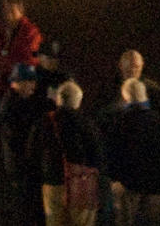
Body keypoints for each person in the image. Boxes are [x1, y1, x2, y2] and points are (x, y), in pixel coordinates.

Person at [28, 79, 104, 226]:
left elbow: (32, 154)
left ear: (58, 99)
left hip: (52, 182)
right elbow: (98, 154)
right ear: (78, 101)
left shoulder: (44, 122)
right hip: (82, 182)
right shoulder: (86, 123)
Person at [105, 78, 160, 226]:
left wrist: (114, 178)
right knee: (152, 220)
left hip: (129, 184)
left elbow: (112, 152)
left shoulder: (120, 121)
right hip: (156, 183)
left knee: (126, 220)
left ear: (126, 97)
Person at [0, 62, 46, 226]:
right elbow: (17, 138)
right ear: (19, 83)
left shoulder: (20, 102)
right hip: (21, 165)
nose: (34, 85)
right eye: (30, 81)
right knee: (25, 206)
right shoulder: (12, 105)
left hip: (23, 164)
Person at [0, 0, 42, 99]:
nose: (8, 16)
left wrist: (5, 65)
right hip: (1, 83)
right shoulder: (1, 30)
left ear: (21, 12)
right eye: (5, 12)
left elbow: (28, 60)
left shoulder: (30, 33)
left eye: (12, 12)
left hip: (21, 85)